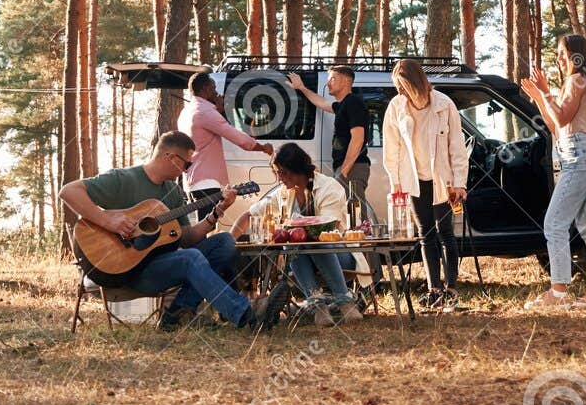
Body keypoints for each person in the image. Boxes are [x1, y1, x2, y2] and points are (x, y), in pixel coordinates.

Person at [59, 131, 280, 331]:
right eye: (187, 165)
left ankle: (176, 315)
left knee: (223, 243)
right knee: (190, 258)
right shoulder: (123, 179)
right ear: (170, 157)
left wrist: (216, 212)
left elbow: (187, 239)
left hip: (163, 268)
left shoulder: (172, 192)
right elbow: (69, 191)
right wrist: (108, 221)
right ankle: (247, 313)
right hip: (127, 272)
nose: (187, 170)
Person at [519, 34, 586, 310]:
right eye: (558, 53)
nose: (560, 58)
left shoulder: (577, 80)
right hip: (576, 156)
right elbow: (555, 126)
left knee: (554, 223)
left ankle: (558, 293)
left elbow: (562, 117)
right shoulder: (572, 83)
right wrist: (540, 95)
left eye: (563, 53)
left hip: (579, 157)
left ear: (577, 55)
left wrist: (546, 93)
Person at [234, 144, 364, 326]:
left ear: (297, 169)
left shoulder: (328, 187)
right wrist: (231, 240)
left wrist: (296, 227)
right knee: (293, 244)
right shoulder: (284, 194)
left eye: (283, 173)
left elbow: (328, 227)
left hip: (338, 255)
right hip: (300, 257)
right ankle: (318, 306)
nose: (279, 179)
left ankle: (345, 302)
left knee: (310, 241)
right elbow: (250, 215)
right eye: (277, 173)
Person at [381, 58, 467, 311]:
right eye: (398, 86)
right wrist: (396, 183)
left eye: (404, 85)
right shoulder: (396, 106)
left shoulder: (444, 104)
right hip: (414, 180)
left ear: (417, 82)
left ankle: (451, 288)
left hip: (443, 179)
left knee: (446, 233)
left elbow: (456, 146)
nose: (400, 91)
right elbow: (392, 149)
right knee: (425, 235)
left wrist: (459, 183)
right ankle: (434, 289)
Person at [179, 72, 274, 218]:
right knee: (206, 227)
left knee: (204, 227)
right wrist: (263, 148)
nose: (216, 92)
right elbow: (241, 140)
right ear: (205, 89)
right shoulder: (205, 112)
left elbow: (204, 128)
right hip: (207, 182)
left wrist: (217, 110)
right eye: (213, 88)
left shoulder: (188, 111)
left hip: (193, 180)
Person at [286, 67, 371, 207]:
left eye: (332, 79)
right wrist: (301, 88)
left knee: (355, 215)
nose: (327, 83)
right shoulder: (343, 105)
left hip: (353, 168)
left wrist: (344, 171)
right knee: (346, 214)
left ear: (345, 81)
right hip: (347, 168)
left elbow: (358, 138)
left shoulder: (353, 102)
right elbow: (321, 102)